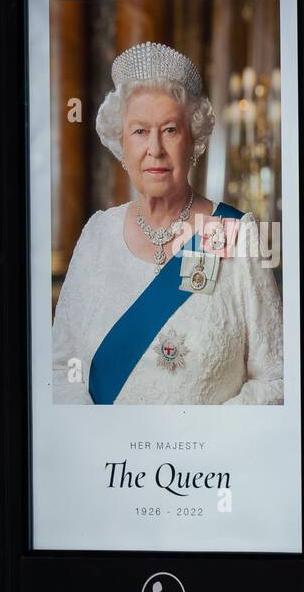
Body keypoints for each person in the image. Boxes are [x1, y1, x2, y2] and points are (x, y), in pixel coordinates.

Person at [52, 41, 283, 405]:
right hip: (113, 462)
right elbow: (62, 368)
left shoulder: (236, 234)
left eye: (170, 130)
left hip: (210, 461)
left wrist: (201, 440)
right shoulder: (97, 236)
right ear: (121, 146)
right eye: (140, 132)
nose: (155, 149)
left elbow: (275, 377)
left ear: (194, 141)